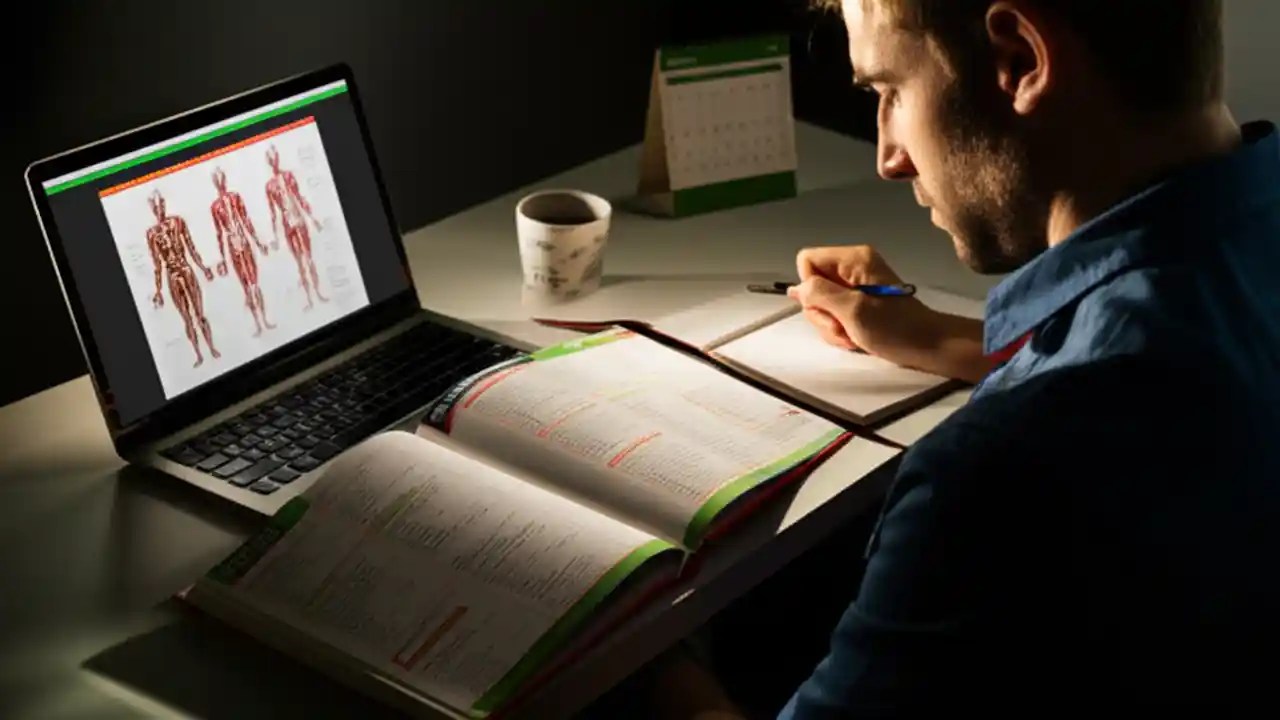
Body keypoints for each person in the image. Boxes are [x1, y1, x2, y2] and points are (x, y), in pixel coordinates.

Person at [644, 0, 1280, 716]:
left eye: (889, 91)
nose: (888, 157)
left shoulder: (994, 480)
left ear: (1020, 61)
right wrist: (939, 338)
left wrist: (653, 661)